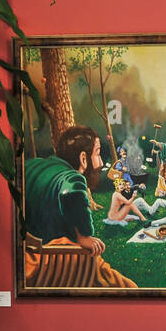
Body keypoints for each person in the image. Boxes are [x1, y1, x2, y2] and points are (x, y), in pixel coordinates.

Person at [22, 124, 138, 289]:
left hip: (26, 257)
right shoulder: (72, 177)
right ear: (83, 158)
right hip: (54, 261)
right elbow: (72, 192)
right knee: (126, 287)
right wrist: (84, 236)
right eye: (97, 153)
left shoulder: (32, 166)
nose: (99, 163)